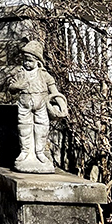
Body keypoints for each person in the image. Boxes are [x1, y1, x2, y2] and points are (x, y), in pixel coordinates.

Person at [8, 39, 67, 173]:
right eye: (25, 60)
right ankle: (25, 152)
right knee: (24, 128)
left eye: (29, 60)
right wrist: (18, 86)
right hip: (24, 104)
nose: (26, 63)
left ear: (37, 61)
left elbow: (55, 92)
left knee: (42, 128)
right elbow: (11, 89)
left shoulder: (44, 75)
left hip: (41, 104)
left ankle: (39, 152)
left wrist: (62, 106)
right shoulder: (20, 74)